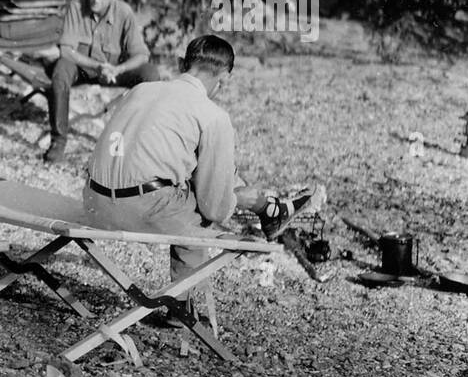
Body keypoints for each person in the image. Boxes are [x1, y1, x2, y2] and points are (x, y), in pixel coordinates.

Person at [82, 34, 317, 323]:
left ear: (184, 64)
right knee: (201, 206)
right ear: (225, 78)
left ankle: (270, 209)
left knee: (192, 177)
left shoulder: (141, 90)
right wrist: (238, 198)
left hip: (93, 202)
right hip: (138, 210)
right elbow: (214, 208)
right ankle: (179, 306)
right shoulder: (213, 115)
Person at [43, 0, 162, 163]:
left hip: (114, 71)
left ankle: (142, 141)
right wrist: (97, 66)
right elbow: (66, 50)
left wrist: (119, 69)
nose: (96, 0)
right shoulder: (76, 6)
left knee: (151, 73)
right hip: (81, 68)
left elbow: (141, 54)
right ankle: (58, 140)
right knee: (61, 71)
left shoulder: (124, 12)